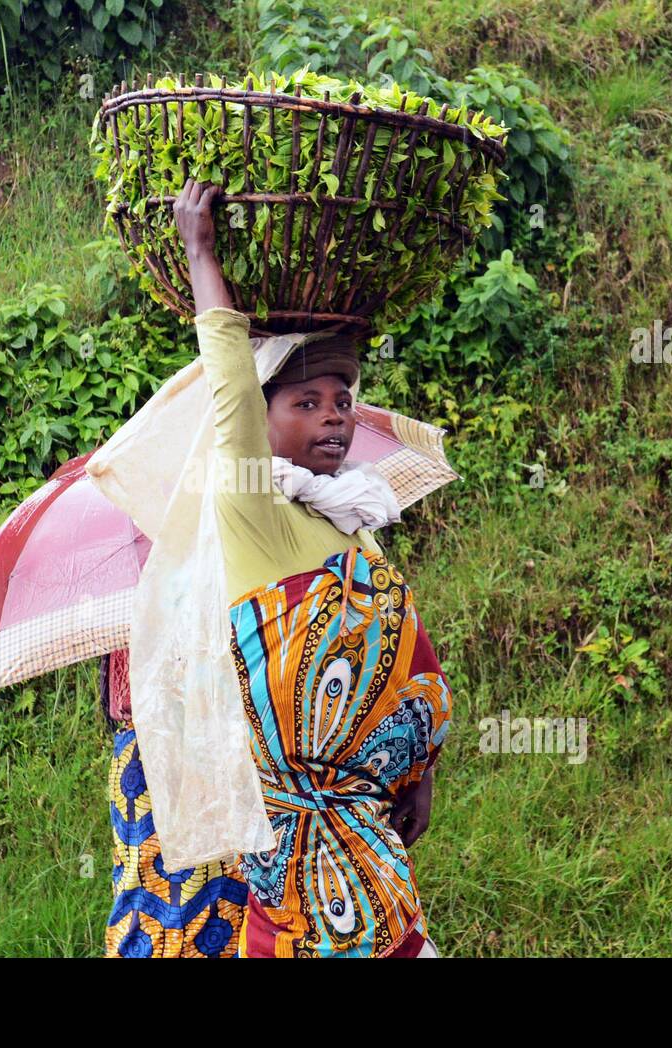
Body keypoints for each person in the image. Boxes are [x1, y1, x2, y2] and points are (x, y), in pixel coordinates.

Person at [173, 178, 453, 957]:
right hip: (294, 846)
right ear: (261, 425)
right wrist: (202, 253)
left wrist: (417, 770)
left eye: (342, 398)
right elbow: (229, 383)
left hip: (370, 833)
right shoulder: (252, 511)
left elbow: (394, 667)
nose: (333, 413)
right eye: (305, 401)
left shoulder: (355, 525)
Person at [100, 649, 249, 957]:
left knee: (163, 883)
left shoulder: (112, 606)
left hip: (151, 741)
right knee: (190, 882)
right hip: (174, 737)